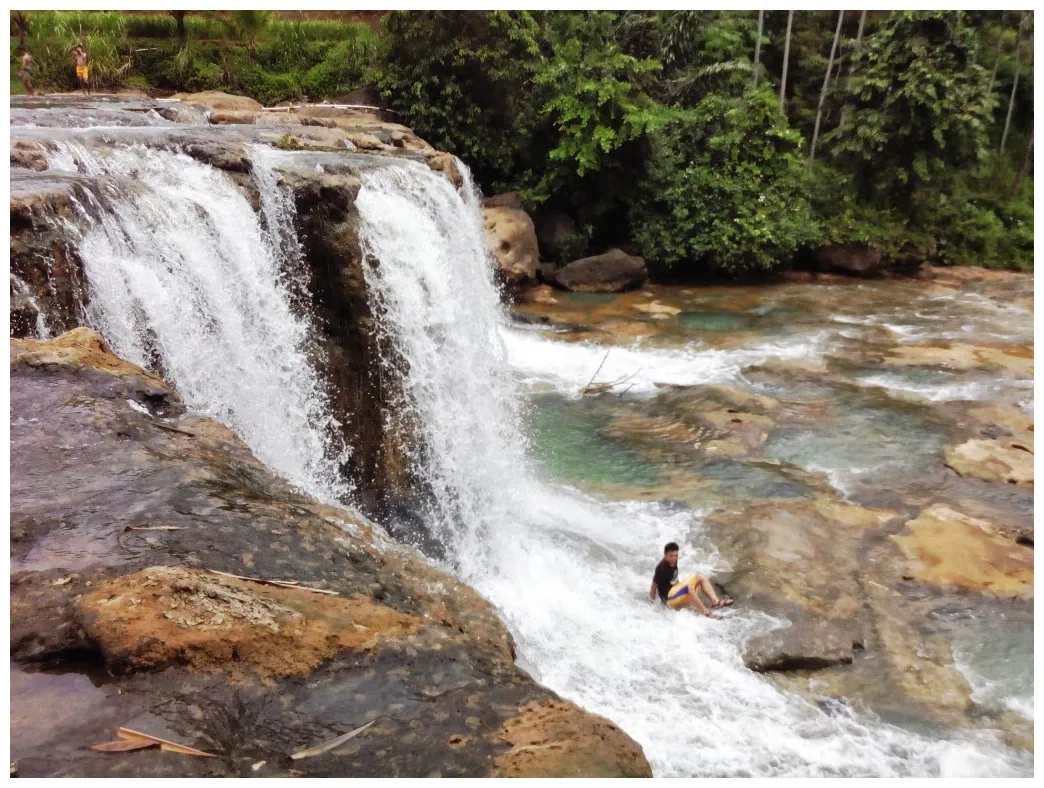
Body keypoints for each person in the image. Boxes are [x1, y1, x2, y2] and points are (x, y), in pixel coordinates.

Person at [650, 541, 733, 618]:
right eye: (671, 556)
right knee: (688, 588)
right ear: (665, 555)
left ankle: (716, 602)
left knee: (699, 576)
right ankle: (706, 613)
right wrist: (654, 606)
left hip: (674, 591)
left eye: (676, 555)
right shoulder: (661, 568)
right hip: (668, 599)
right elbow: (653, 587)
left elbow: (674, 580)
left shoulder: (673, 562)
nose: (674, 558)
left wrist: (681, 590)